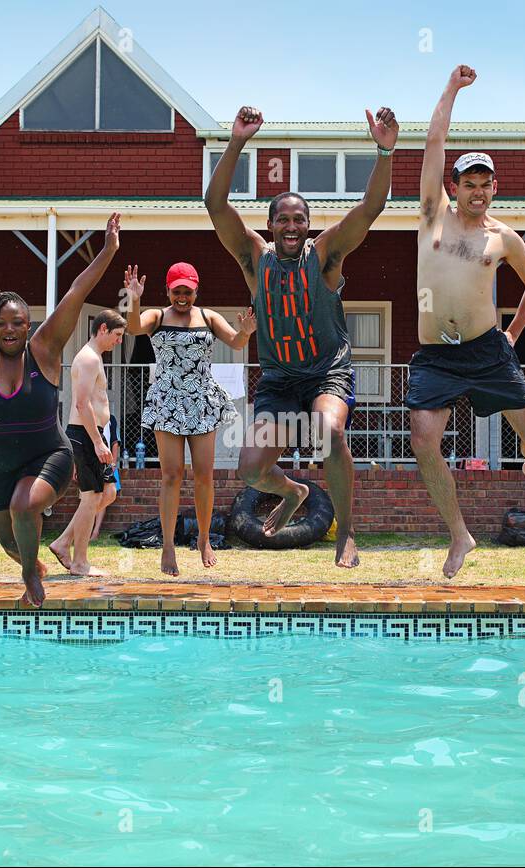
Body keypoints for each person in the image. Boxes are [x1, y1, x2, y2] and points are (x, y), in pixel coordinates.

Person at [205, 104, 399, 568]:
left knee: (329, 430)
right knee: (250, 469)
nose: (291, 227)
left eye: (299, 220)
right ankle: (292, 491)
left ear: (308, 225)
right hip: (279, 380)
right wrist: (236, 142)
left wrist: (385, 152)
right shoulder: (255, 260)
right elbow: (215, 206)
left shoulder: (326, 255)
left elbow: (370, 208)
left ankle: (346, 533)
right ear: (270, 225)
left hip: (326, 373)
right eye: (282, 220)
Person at [0, 195, 121, 605]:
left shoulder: (46, 350)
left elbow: (76, 290)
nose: (11, 330)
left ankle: (30, 581)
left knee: (23, 506)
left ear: (28, 323)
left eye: (18, 323)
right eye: (2, 324)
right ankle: (31, 566)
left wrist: (107, 250)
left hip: (49, 456)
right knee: (14, 542)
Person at [410, 65, 525, 577]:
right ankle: (459, 535)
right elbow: (433, 140)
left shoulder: (503, 237)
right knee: (423, 441)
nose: (476, 192)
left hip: (487, 350)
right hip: (436, 356)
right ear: (454, 186)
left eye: (484, 185)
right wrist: (450, 88)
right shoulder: (433, 214)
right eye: (467, 183)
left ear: (495, 188)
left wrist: (512, 335)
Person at [122, 262, 255, 575]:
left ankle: (204, 539)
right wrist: (134, 299)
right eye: (177, 291)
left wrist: (246, 332)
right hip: (168, 400)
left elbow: (235, 342)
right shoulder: (157, 315)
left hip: (200, 400)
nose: (182, 297)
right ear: (168, 291)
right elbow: (133, 327)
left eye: (188, 291)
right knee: (171, 475)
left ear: (197, 290)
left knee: (204, 475)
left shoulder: (208, 316)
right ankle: (168, 546)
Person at [49, 312, 127, 576]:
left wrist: (101, 438)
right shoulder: (88, 359)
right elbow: (82, 404)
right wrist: (97, 442)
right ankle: (79, 562)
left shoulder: (93, 358)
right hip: (85, 435)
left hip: (93, 434)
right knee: (91, 496)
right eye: (117, 336)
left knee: (107, 493)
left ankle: (63, 542)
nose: (118, 342)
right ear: (103, 329)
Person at [89, 414, 121, 540]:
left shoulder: (111, 419)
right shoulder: (87, 416)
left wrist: (113, 462)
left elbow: (115, 442)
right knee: (89, 497)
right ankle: (85, 529)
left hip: (106, 461)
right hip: (90, 460)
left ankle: (95, 532)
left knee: (105, 496)